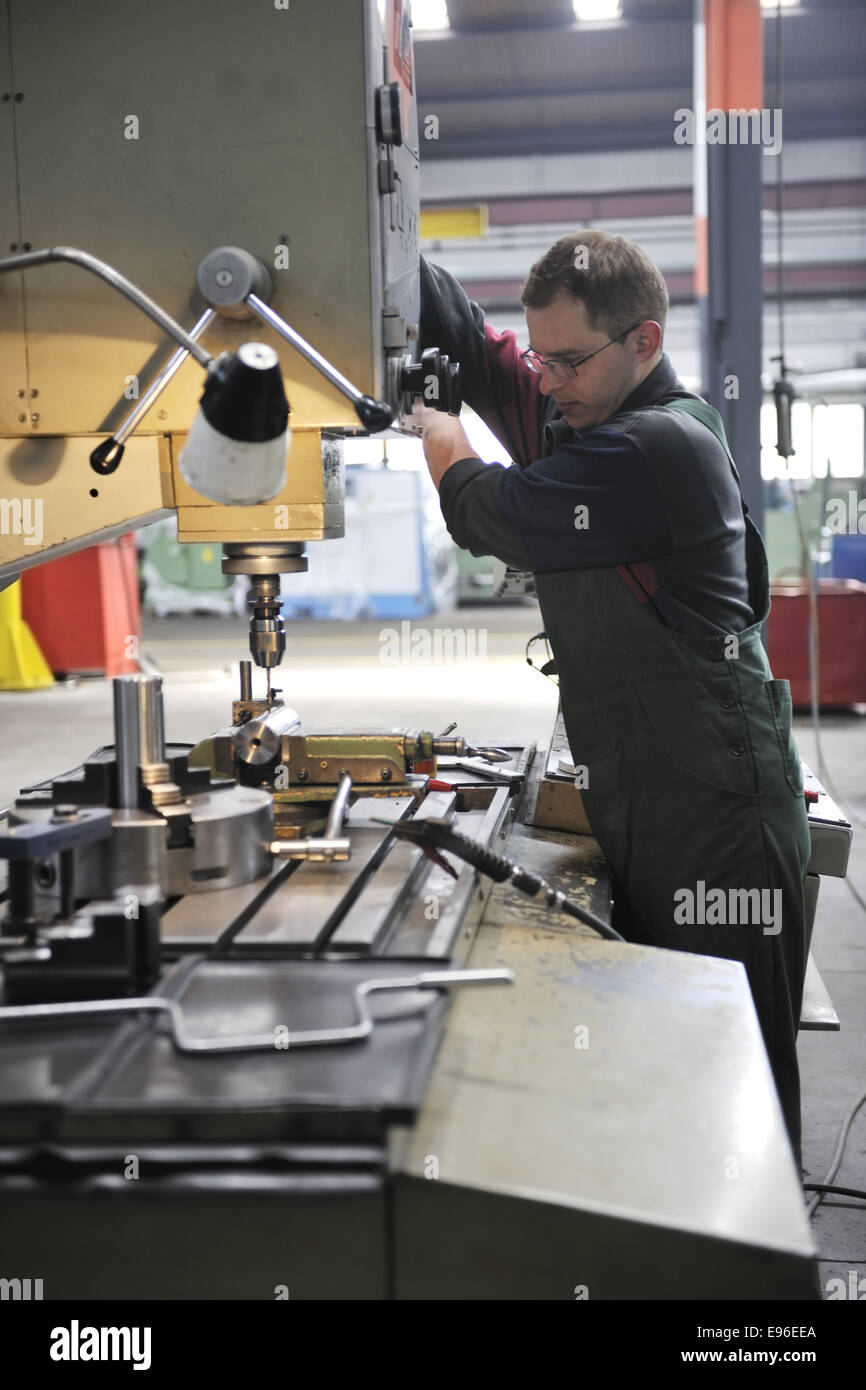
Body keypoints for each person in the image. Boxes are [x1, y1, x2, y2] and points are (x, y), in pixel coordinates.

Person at [412, 229, 812, 1162]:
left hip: (717, 816)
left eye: (568, 361)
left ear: (644, 341)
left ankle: (759, 1251)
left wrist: (436, 429)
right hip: (642, 788)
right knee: (669, 1057)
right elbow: (470, 339)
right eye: (541, 357)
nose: (548, 380)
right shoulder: (583, 406)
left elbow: (489, 511)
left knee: (736, 1076)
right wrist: (366, 248)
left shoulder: (651, 446)